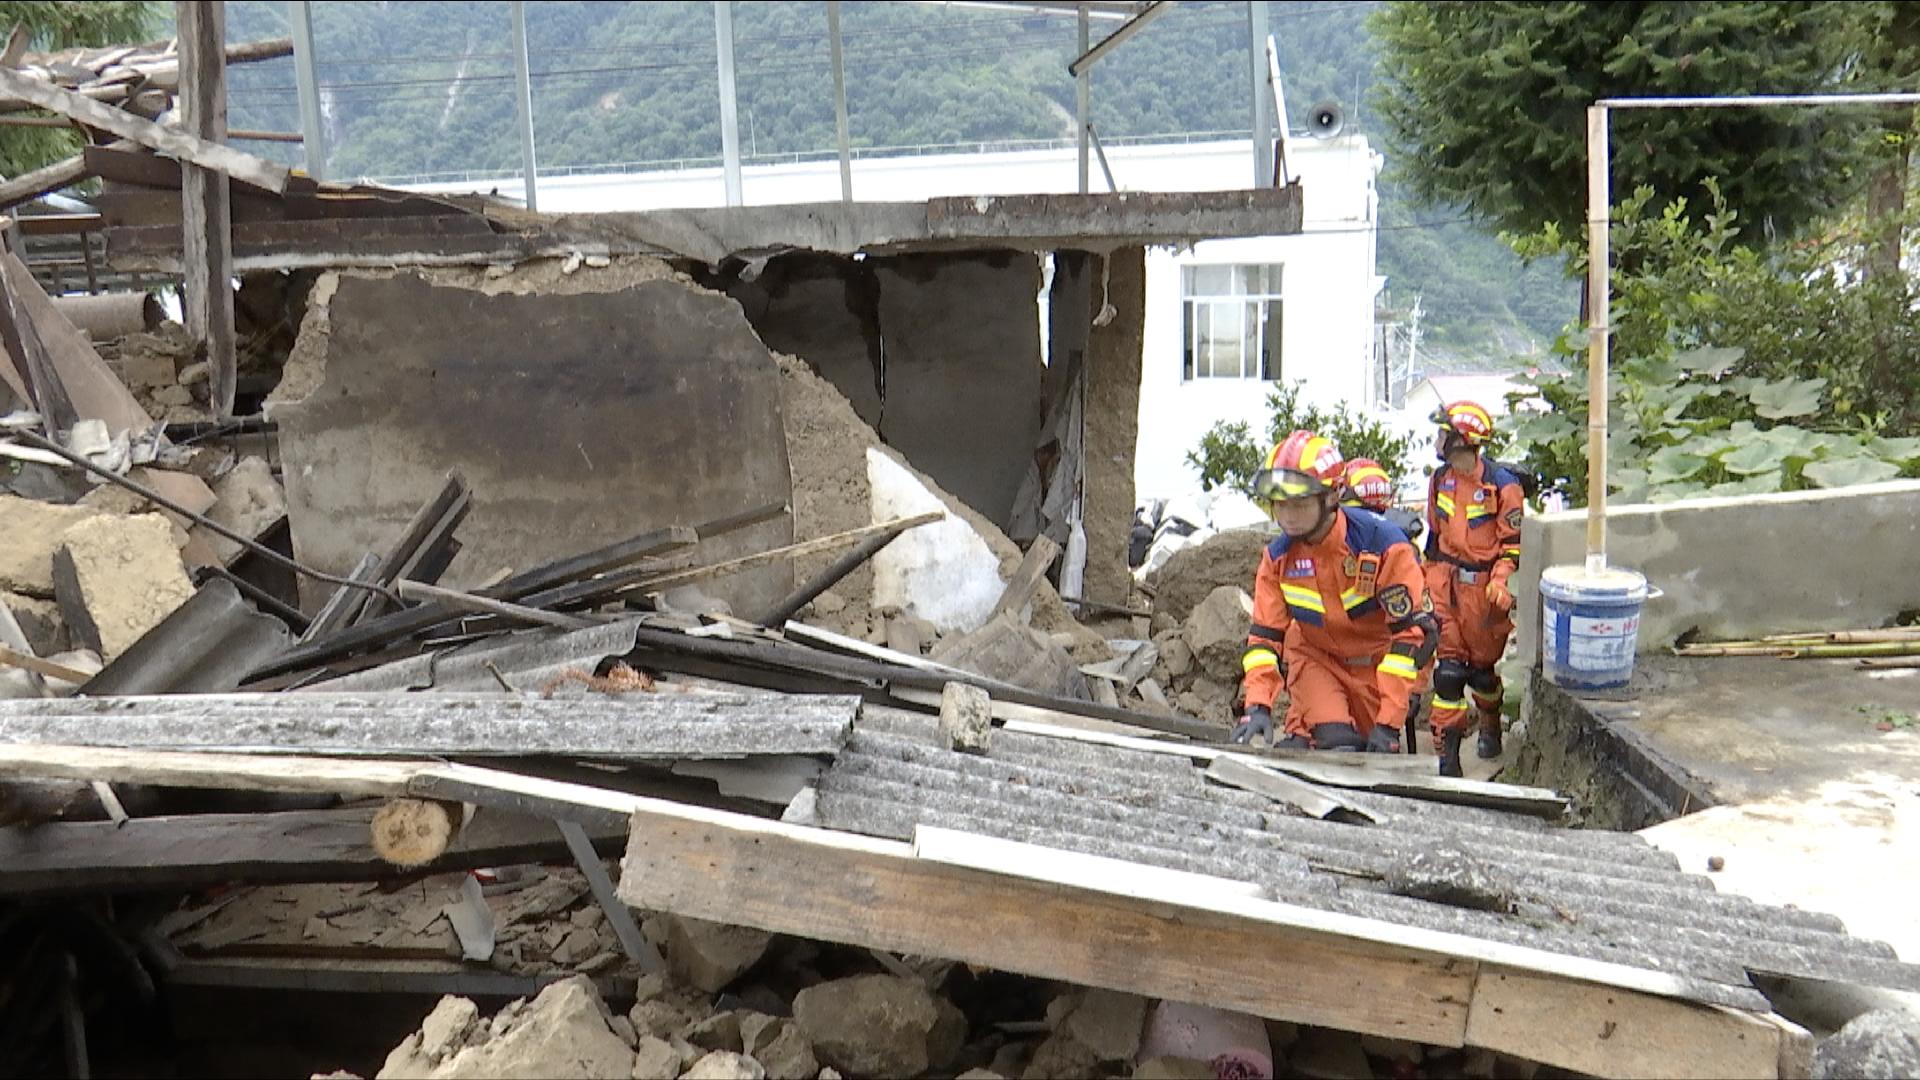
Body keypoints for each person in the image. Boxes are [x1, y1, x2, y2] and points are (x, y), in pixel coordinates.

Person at [1235, 431, 1438, 753]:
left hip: (1378, 667)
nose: (1286, 515)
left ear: (1332, 496)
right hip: (1316, 662)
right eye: (1279, 503)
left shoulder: (1383, 546)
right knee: (1336, 744)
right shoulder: (1277, 559)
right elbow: (1265, 639)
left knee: (1372, 757)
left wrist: (1390, 720)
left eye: (1298, 503)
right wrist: (1257, 705)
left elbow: (1412, 637)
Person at [1424, 401, 1525, 777]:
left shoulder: (1503, 487)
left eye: (1443, 433)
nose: (1437, 440)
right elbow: (1434, 536)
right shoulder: (1439, 479)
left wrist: (1501, 580)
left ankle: (1489, 723)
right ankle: (1447, 758)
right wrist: (1425, 579)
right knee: (1448, 673)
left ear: (1462, 440)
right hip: (1446, 585)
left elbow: (1513, 546)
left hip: (1483, 594)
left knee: (1482, 673)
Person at [1342, 457, 1430, 749]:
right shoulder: (1404, 548)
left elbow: (1420, 628)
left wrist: (1412, 692)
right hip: (1342, 669)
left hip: (1378, 675)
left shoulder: (1398, 552)